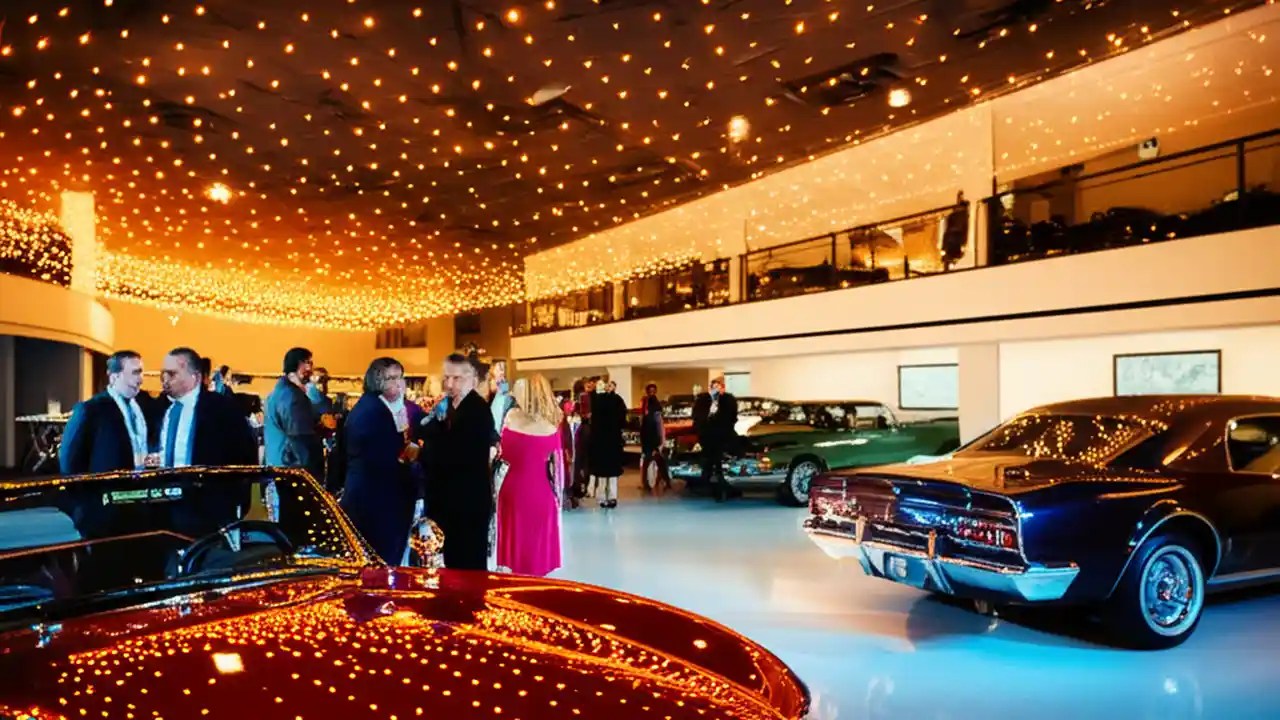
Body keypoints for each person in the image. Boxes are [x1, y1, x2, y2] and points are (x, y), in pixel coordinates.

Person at [339, 357, 423, 565]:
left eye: (400, 377)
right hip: (376, 503)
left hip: (371, 497)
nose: (398, 383)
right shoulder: (373, 412)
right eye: (391, 378)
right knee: (380, 565)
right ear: (377, 381)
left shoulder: (381, 407)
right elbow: (387, 460)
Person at [422, 353, 495, 570]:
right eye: (447, 378)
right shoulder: (450, 407)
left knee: (467, 567)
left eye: (456, 378)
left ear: (471, 379)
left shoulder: (476, 410)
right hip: (450, 503)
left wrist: (426, 449)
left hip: (466, 505)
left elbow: (457, 455)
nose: (450, 384)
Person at [495, 375, 564, 576]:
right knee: (537, 556)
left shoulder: (511, 418)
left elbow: (502, 453)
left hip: (512, 489)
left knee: (512, 554)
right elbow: (558, 472)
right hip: (541, 493)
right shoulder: (552, 428)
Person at [157, 347, 258, 467]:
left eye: (172, 374)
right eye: (163, 374)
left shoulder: (223, 411)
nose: (165, 380)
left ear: (195, 377)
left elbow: (245, 457)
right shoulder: (157, 408)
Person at [60, 350, 152, 474]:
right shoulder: (90, 410)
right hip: (104, 490)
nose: (140, 380)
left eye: (141, 372)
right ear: (114, 377)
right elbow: (69, 463)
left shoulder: (141, 407)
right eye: (135, 373)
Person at [264, 347, 324, 482]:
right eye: (307, 362)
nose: (310, 368)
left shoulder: (278, 393)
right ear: (296, 365)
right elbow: (299, 437)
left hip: (279, 465)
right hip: (292, 470)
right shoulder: (292, 397)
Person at [692, 376, 741, 502]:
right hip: (708, 436)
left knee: (718, 462)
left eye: (718, 387)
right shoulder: (703, 401)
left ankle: (721, 488)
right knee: (710, 461)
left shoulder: (727, 400)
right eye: (714, 387)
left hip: (722, 436)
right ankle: (711, 486)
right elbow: (698, 417)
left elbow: (731, 417)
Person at [588, 379, 627, 509]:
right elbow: (622, 420)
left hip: (601, 442)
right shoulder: (618, 401)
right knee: (612, 474)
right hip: (613, 442)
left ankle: (603, 498)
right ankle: (612, 497)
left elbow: (592, 420)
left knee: (603, 473)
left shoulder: (598, 401)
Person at [639, 382, 670, 492]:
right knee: (657, 460)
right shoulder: (654, 406)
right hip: (651, 437)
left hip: (651, 438)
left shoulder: (650, 407)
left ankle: (646, 483)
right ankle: (664, 480)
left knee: (650, 460)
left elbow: (656, 425)